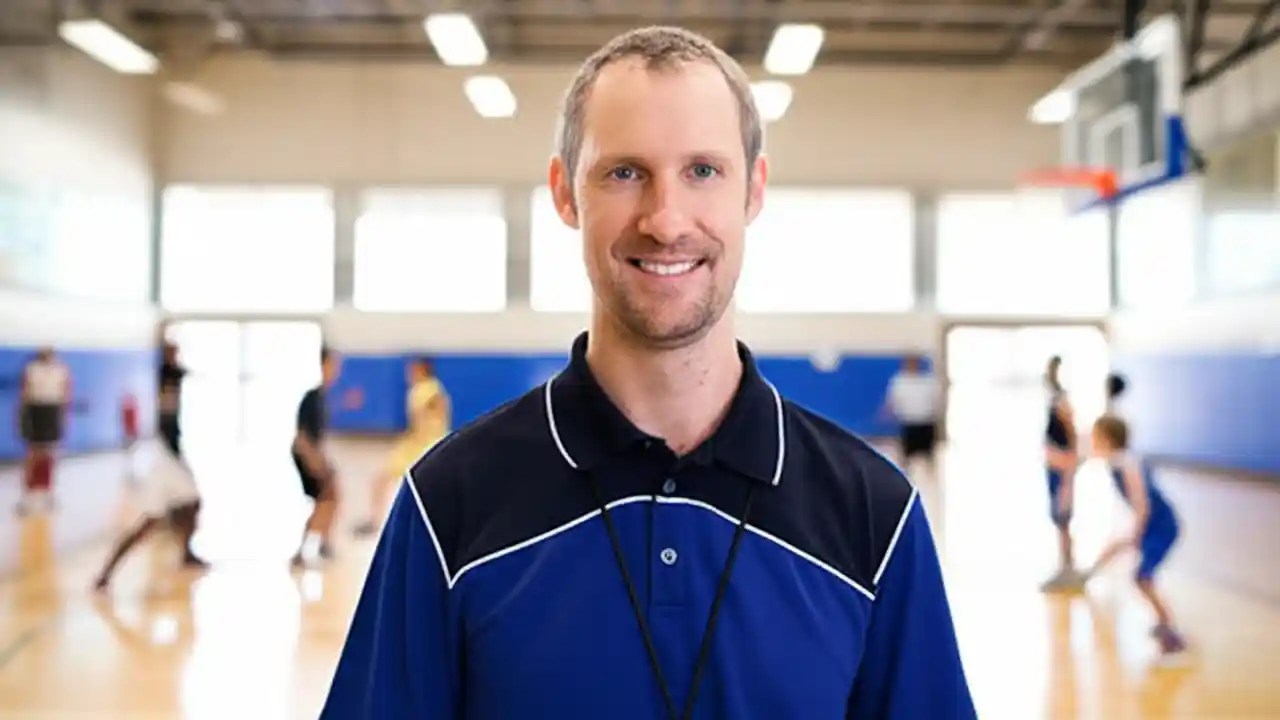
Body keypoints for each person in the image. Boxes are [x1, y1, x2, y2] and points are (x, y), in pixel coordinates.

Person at [322, 26, 975, 719]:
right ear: (565, 193)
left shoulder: (873, 514)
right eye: (625, 173)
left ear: (753, 190)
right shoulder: (450, 502)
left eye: (703, 171)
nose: (665, 221)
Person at [1082, 414, 1188, 662]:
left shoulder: (1127, 463)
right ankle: (1085, 577)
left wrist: (1136, 533)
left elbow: (1142, 505)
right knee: (1114, 548)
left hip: (1161, 527)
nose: (1092, 442)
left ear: (1107, 439)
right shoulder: (1117, 460)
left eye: (1095, 437)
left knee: (1142, 577)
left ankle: (1171, 631)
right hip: (1150, 525)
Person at [93, 437, 206, 592]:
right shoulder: (162, 449)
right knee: (148, 524)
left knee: (191, 505)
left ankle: (187, 554)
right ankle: (105, 574)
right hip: (164, 465)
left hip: (171, 462)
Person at [355, 356, 451, 536]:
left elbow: (434, 407)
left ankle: (376, 521)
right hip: (421, 442)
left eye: (412, 369)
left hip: (426, 445)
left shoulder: (426, 390)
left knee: (386, 479)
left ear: (421, 369)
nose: (409, 373)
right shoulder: (427, 389)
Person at [291, 346, 343, 566]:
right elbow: (303, 437)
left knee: (329, 499)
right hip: (306, 456)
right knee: (327, 498)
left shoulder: (323, 397)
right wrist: (316, 464)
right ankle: (307, 547)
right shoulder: (312, 398)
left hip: (315, 455)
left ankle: (321, 543)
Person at [1040, 354, 1085, 592]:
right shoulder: (1053, 400)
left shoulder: (1062, 402)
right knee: (1059, 519)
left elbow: (1072, 436)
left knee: (1063, 517)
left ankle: (1069, 567)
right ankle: (1065, 566)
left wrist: (1070, 468)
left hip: (1062, 470)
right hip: (1054, 469)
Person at [16, 346, 71, 515]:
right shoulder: (31, 369)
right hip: (36, 410)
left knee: (52, 454)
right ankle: (26, 497)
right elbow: (24, 395)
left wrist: (63, 417)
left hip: (53, 410)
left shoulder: (61, 370)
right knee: (33, 453)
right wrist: (22, 417)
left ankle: (49, 495)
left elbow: (65, 395)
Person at [884, 354, 941, 477]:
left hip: (925, 421)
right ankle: (905, 478)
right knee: (906, 456)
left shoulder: (927, 382)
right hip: (908, 422)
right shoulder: (900, 381)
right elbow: (892, 401)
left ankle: (932, 477)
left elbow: (936, 401)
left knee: (928, 456)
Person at [158, 341, 187, 458]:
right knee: (165, 435)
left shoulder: (176, 371)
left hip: (173, 410)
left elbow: (182, 372)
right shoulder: (162, 371)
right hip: (163, 411)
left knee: (174, 433)